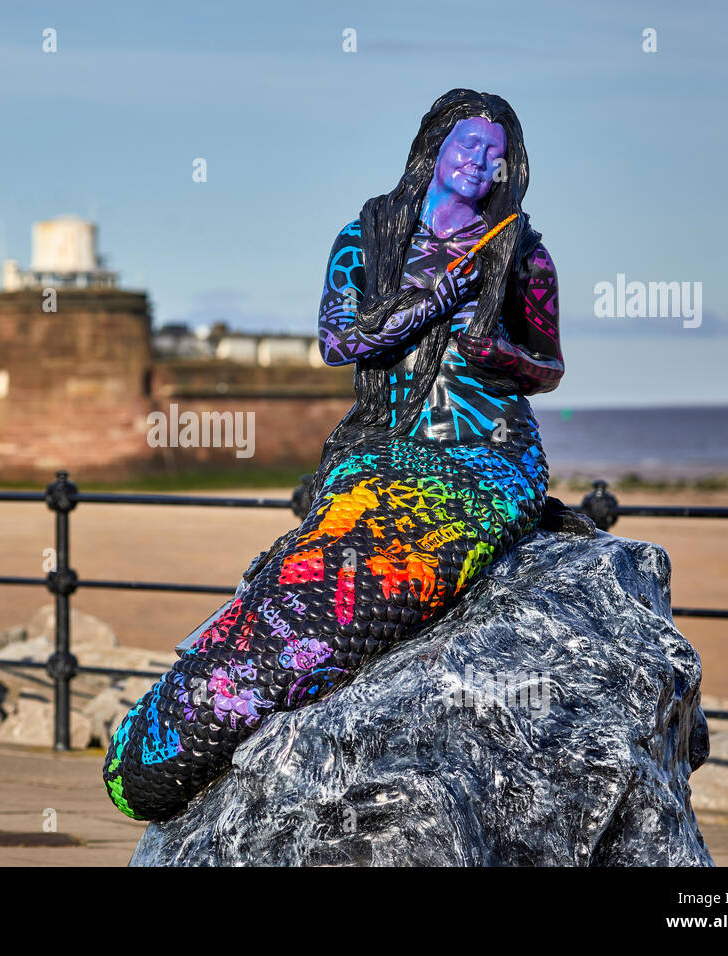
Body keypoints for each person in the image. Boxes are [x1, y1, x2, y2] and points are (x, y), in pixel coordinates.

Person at [104, 89, 564, 821]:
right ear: (433, 150)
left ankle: (208, 723)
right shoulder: (365, 239)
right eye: (467, 145)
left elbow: (546, 368)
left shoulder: (522, 254)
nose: (482, 162)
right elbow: (339, 342)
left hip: (485, 458)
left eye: (497, 151)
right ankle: (174, 727)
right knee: (310, 567)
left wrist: (497, 348)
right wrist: (434, 301)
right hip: (381, 450)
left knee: (399, 579)